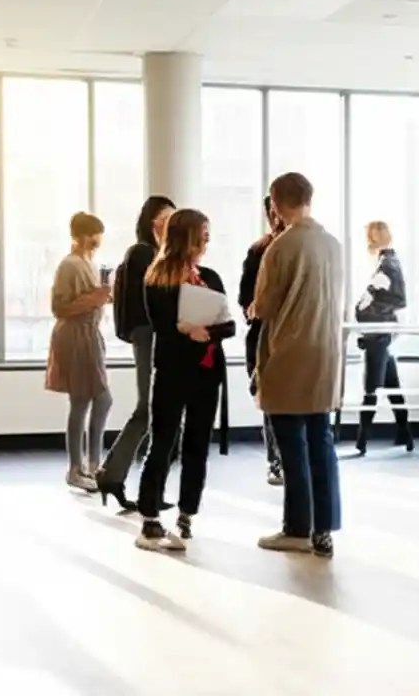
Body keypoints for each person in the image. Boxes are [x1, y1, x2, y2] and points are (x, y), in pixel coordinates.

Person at [253, 172, 345, 559]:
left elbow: (265, 305)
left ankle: (297, 527)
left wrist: (253, 308)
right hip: (325, 352)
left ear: (275, 203)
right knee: (321, 442)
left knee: (291, 444)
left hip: (290, 353)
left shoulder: (281, 246)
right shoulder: (333, 244)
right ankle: (323, 530)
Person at [135, 209, 235, 551]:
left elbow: (230, 325)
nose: (206, 242)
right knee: (163, 442)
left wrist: (203, 332)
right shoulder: (158, 277)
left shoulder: (210, 276)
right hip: (172, 371)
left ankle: (187, 514)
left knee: (197, 445)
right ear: (185, 236)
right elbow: (163, 327)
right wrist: (187, 332)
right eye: (202, 235)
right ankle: (149, 517)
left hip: (207, 372)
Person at [45, 212, 125, 507]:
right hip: (76, 335)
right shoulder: (69, 265)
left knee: (89, 400)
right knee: (90, 399)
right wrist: (96, 298)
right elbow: (60, 307)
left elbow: (94, 299)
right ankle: (80, 466)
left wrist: (105, 296)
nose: (97, 241)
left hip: (90, 333)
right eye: (93, 235)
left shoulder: (89, 264)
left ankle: (89, 464)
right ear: (80, 235)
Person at [103, 195, 175, 501]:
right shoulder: (144, 253)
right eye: (166, 218)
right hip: (149, 335)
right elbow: (156, 296)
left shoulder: (149, 253)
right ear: (152, 222)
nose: (171, 224)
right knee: (149, 408)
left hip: (151, 335)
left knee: (152, 409)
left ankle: (115, 475)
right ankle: (116, 476)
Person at [353, 220, 413, 455]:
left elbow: (397, 299)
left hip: (378, 335)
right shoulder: (388, 263)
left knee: (370, 389)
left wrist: (365, 306)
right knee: (391, 384)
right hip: (380, 334)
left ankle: (361, 441)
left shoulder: (386, 266)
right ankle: (405, 434)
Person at [239, 195, 285, 485]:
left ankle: (286, 460)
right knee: (268, 401)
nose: (274, 217)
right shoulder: (258, 250)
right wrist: (255, 308)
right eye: (270, 212)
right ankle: (276, 461)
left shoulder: (302, 249)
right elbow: (245, 299)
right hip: (261, 337)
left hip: (290, 338)